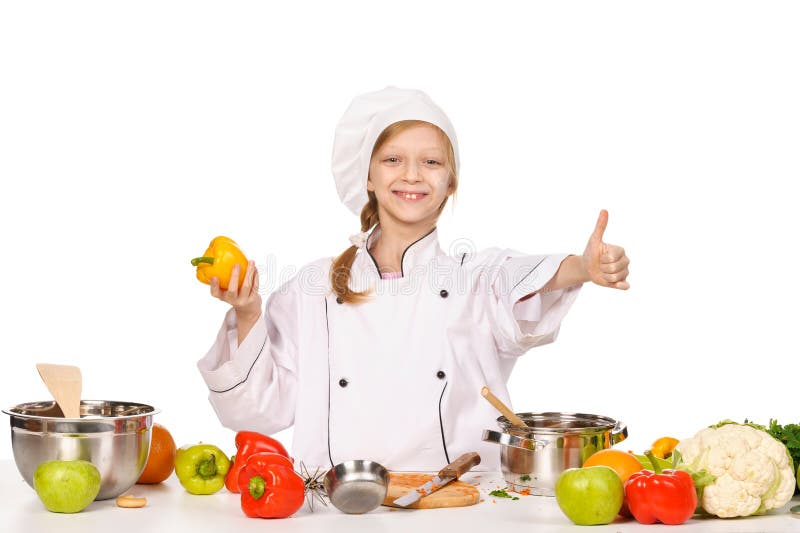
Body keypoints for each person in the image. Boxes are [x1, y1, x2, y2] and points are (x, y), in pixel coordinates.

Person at [196, 86, 630, 472]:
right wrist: (248, 311)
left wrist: (583, 268)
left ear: (450, 182)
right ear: (367, 176)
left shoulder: (472, 278)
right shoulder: (314, 289)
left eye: (431, 162)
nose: (412, 175)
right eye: (393, 160)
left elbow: (519, 277)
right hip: (339, 509)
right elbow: (256, 415)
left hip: (456, 505)